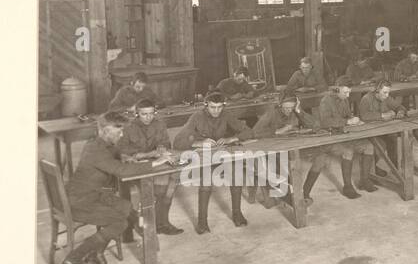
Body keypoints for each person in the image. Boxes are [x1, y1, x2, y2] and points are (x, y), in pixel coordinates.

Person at [60, 112, 166, 264]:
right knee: (120, 222)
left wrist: (123, 156)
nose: (122, 135)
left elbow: (115, 156)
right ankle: (75, 257)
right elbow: (121, 170)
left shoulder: (98, 144)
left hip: (90, 194)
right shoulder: (96, 150)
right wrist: (155, 163)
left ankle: (97, 253)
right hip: (79, 202)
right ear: (104, 131)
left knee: (126, 206)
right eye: (118, 131)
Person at [172, 92, 253, 234]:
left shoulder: (226, 115)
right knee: (206, 180)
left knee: (236, 173)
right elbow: (177, 142)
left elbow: (249, 132)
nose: (216, 111)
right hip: (204, 158)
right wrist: (199, 143)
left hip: (222, 155)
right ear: (206, 105)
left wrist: (232, 138)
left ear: (223, 106)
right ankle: (202, 222)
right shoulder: (197, 117)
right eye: (212, 107)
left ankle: (237, 214)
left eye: (219, 107)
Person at [119, 99, 183, 236]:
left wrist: (161, 148)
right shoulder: (128, 128)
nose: (148, 117)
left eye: (151, 113)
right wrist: (150, 154)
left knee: (173, 181)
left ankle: (163, 222)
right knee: (162, 185)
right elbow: (124, 154)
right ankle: (145, 224)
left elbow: (166, 142)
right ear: (137, 114)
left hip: (156, 163)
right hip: (135, 168)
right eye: (144, 114)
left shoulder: (159, 124)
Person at [251, 93, 327, 209]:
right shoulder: (272, 113)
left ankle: (304, 193)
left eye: (291, 107)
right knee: (289, 169)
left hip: (294, 146)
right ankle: (292, 197)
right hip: (276, 149)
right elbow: (255, 132)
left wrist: (299, 111)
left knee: (321, 157)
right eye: (286, 108)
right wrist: (277, 131)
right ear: (280, 105)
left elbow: (316, 125)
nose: (288, 110)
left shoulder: (295, 111)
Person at [316, 82, 374, 198]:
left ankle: (365, 180)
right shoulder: (325, 101)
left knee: (369, 147)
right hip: (331, 136)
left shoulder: (344, 100)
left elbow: (347, 116)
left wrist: (354, 120)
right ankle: (347, 187)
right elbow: (325, 122)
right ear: (337, 90)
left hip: (345, 134)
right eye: (345, 92)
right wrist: (347, 122)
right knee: (348, 151)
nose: (348, 96)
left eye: (349, 92)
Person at [358, 81, 405, 180]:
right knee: (380, 144)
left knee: (393, 137)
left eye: (388, 92)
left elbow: (397, 106)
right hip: (369, 131)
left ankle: (393, 167)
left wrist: (400, 111)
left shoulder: (386, 98)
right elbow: (363, 116)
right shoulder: (366, 99)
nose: (387, 95)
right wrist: (382, 115)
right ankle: (378, 169)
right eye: (385, 92)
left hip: (383, 129)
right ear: (377, 90)